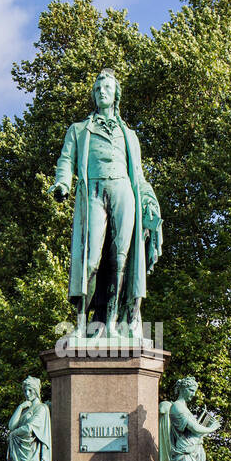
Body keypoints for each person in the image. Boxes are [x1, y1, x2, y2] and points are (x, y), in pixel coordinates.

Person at [49, 68, 162, 338]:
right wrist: (62, 182)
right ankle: (80, 325)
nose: (102, 92)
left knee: (120, 260)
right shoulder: (78, 130)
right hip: (94, 192)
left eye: (107, 89)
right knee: (90, 260)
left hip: (124, 190)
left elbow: (139, 175)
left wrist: (148, 201)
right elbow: (66, 161)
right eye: (98, 89)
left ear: (115, 95)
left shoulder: (130, 135)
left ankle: (110, 324)